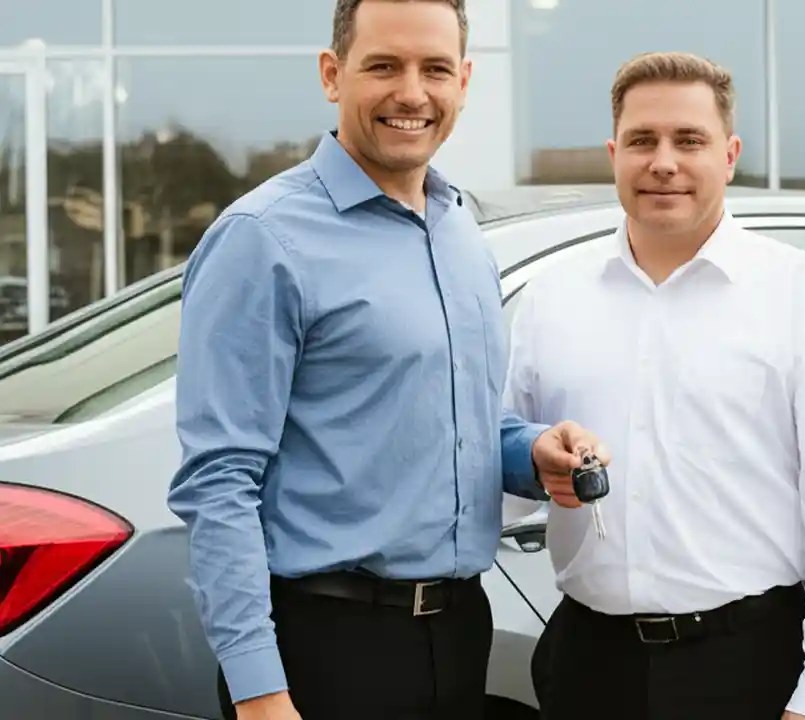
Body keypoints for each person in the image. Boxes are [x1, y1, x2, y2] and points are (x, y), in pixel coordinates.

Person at [166, 1, 606, 718]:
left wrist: (531, 453)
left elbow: (450, 422)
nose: (412, 93)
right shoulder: (263, 238)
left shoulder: (457, 227)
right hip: (324, 652)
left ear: (464, 81)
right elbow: (219, 480)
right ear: (331, 74)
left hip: (459, 633)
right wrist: (260, 692)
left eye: (435, 69)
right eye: (384, 66)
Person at [504, 51, 805, 720]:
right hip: (587, 665)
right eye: (642, 141)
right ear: (614, 154)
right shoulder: (552, 299)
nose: (664, 162)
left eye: (689, 140)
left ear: (730, 155)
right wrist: (537, 460)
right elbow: (506, 472)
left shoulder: (802, 296)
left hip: (750, 664)